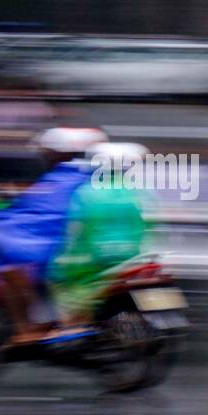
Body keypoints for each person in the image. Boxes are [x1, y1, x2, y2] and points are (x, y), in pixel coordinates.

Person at [0, 127, 107, 345]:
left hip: (65, 252)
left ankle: (26, 329)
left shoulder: (60, 179)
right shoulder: (88, 177)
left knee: (8, 268)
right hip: (96, 249)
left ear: (55, 154)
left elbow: (33, 214)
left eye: (46, 153)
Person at [45, 142, 151, 334]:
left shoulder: (86, 193)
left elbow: (75, 232)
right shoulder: (141, 193)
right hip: (132, 258)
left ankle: (72, 326)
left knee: (56, 276)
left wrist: (62, 263)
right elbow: (149, 226)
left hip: (96, 260)